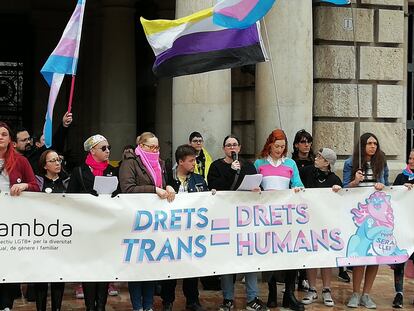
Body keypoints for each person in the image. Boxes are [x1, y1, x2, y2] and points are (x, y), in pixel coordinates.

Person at [207, 134, 267, 311]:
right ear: (224, 149)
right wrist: (232, 171)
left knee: (249, 257)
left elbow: (257, 184)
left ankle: (252, 298)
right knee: (227, 259)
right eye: (228, 145)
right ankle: (227, 299)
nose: (232, 148)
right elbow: (215, 186)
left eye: (235, 145)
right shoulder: (216, 166)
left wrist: (258, 189)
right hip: (225, 218)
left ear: (239, 148)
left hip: (245, 219)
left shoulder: (248, 166)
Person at [120, 132, 175, 311]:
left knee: (152, 264)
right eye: (151, 147)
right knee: (137, 265)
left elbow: (162, 183)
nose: (155, 150)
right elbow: (127, 188)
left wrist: (167, 186)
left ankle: (148, 305)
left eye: (157, 147)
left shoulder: (160, 163)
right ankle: (137, 306)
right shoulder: (130, 162)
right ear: (141, 146)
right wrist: (154, 190)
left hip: (154, 221)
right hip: (136, 220)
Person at [254, 129, 304, 311]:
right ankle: (272, 291)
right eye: (277, 146)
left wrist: (297, 188)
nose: (280, 150)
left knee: (291, 253)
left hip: (286, 217)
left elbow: (297, 183)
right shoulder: (259, 163)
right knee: (269, 254)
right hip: (265, 217)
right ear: (269, 145)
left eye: (283, 147)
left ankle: (289, 293)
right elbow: (254, 185)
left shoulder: (290, 163)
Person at [67, 134, 118, 311]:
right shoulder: (79, 171)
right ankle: (90, 306)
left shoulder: (112, 171)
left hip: (106, 227)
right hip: (86, 228)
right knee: (89, 269)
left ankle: (101, 305)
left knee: (104, 268)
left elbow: (121, 197)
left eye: (109, 147)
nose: (108, 151)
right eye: (103, 148)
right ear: (93, 150)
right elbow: (70, 198)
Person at [343, 132, 389, 309]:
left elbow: (386, 184)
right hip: (358, 215)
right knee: (360, 255)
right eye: (369, 143)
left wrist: (381, 185)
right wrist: (355, 181)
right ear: (362, 146)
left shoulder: (381, 162)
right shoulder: (350, 162)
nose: (373, 146)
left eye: (375, 144)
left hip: (377, 215)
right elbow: (345, 187)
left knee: (374, 256)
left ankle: (366, 294)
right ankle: (355, 293)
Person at [161, 145, 208, 311]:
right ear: (180, 162)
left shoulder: (199, 179)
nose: (194, 163)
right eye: (191, 160)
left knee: (191, 266)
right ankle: (167, 301)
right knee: (169, 267)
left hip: (192, 231)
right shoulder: (166, 180)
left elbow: (206, 201)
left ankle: (192, 300)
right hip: (170, 230)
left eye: (194, 160)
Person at [0, 122, 39, 311]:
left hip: (11, 220)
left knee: (7, 261)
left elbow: (35, 185)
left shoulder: (20, 161)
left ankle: (6, 304)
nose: (0, 137)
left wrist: (23, 186)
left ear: (10, 140)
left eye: (4, 134)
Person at [299, 148, 342, 307]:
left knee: (326, 257)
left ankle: (326, 289)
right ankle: (312, 289)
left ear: (327, 162)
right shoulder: (307, 172)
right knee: (311, 255)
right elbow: (296, 181)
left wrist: (338, 191)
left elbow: (340, 201)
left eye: (319, 157)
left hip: (327, 224)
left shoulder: (334, 179)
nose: (316, 158)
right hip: (309, 222)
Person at [34, 149, 68, 311]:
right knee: (41, 277)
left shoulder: (67, 183)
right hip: (41, 237)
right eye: (53, 160)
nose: (57, 163)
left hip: (61, 237)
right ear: (44, 165)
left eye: (58, 160)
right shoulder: (37, 183)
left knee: (58, 277)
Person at [390, 149, 414, 308]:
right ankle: (399, 293)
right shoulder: (401, 177)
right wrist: (402, 190)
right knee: (400, 260)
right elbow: (393, 197)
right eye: (410, 158)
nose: (411, 161)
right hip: (403, 225)